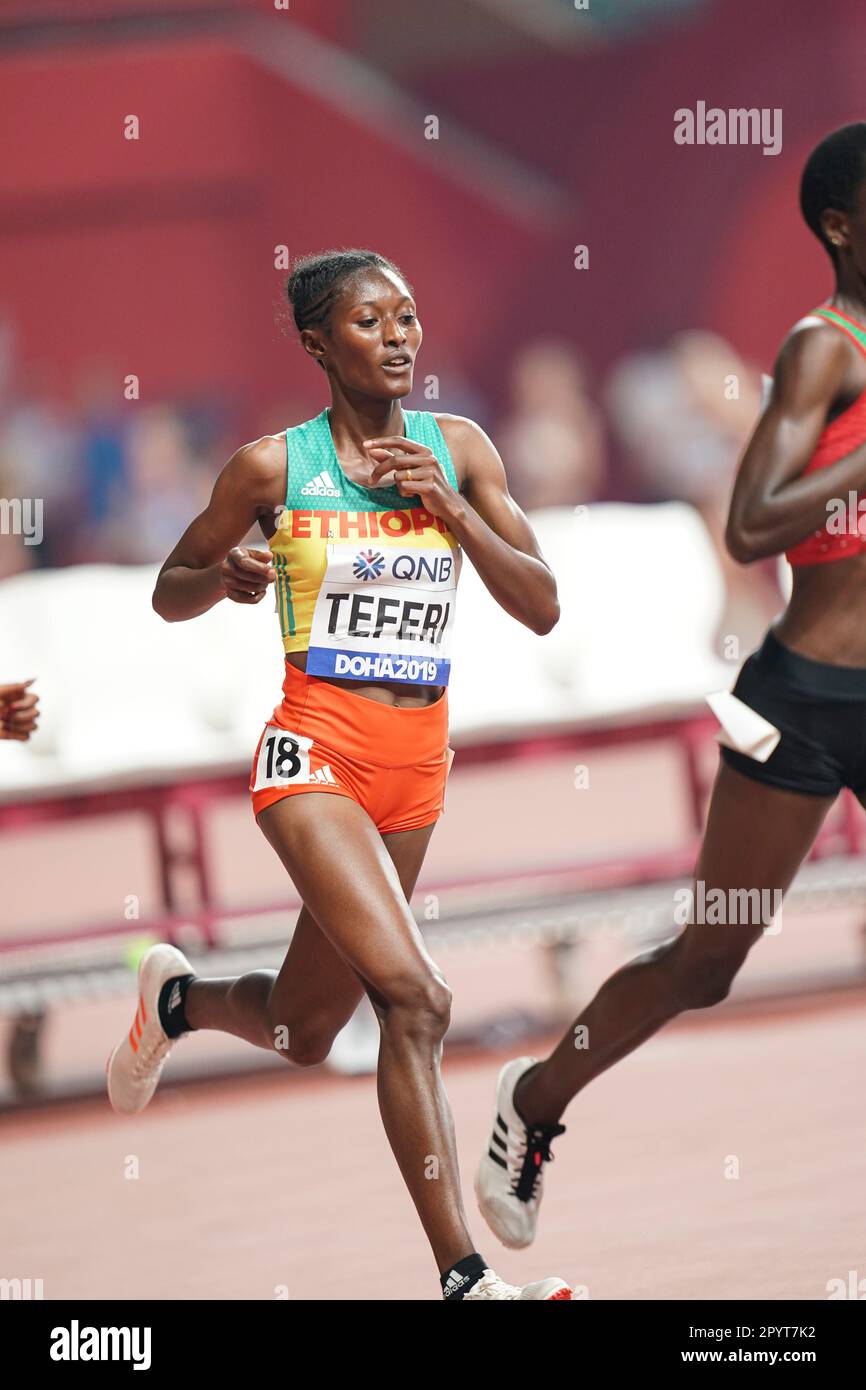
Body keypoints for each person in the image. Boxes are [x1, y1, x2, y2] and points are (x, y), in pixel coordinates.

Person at [106, 248, 571, 1301]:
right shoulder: (272, 469)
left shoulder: (460, 449)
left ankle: (176, 1002)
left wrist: (452, 511)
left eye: (406, 316)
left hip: (416, 769)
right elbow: (171, 586)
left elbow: (542, 603)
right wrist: (222, 578)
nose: (397, 337)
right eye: (369, 322)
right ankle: (464, 1278)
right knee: (417, 999)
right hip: (313, 752)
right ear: (318, 344)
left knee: (305, 1026)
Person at [476, 122, 866, 1251]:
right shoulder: (823, 350)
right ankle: (533, 1100)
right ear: (839, 225)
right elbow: (750, 521)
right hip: (802, 699)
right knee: (705, 961)